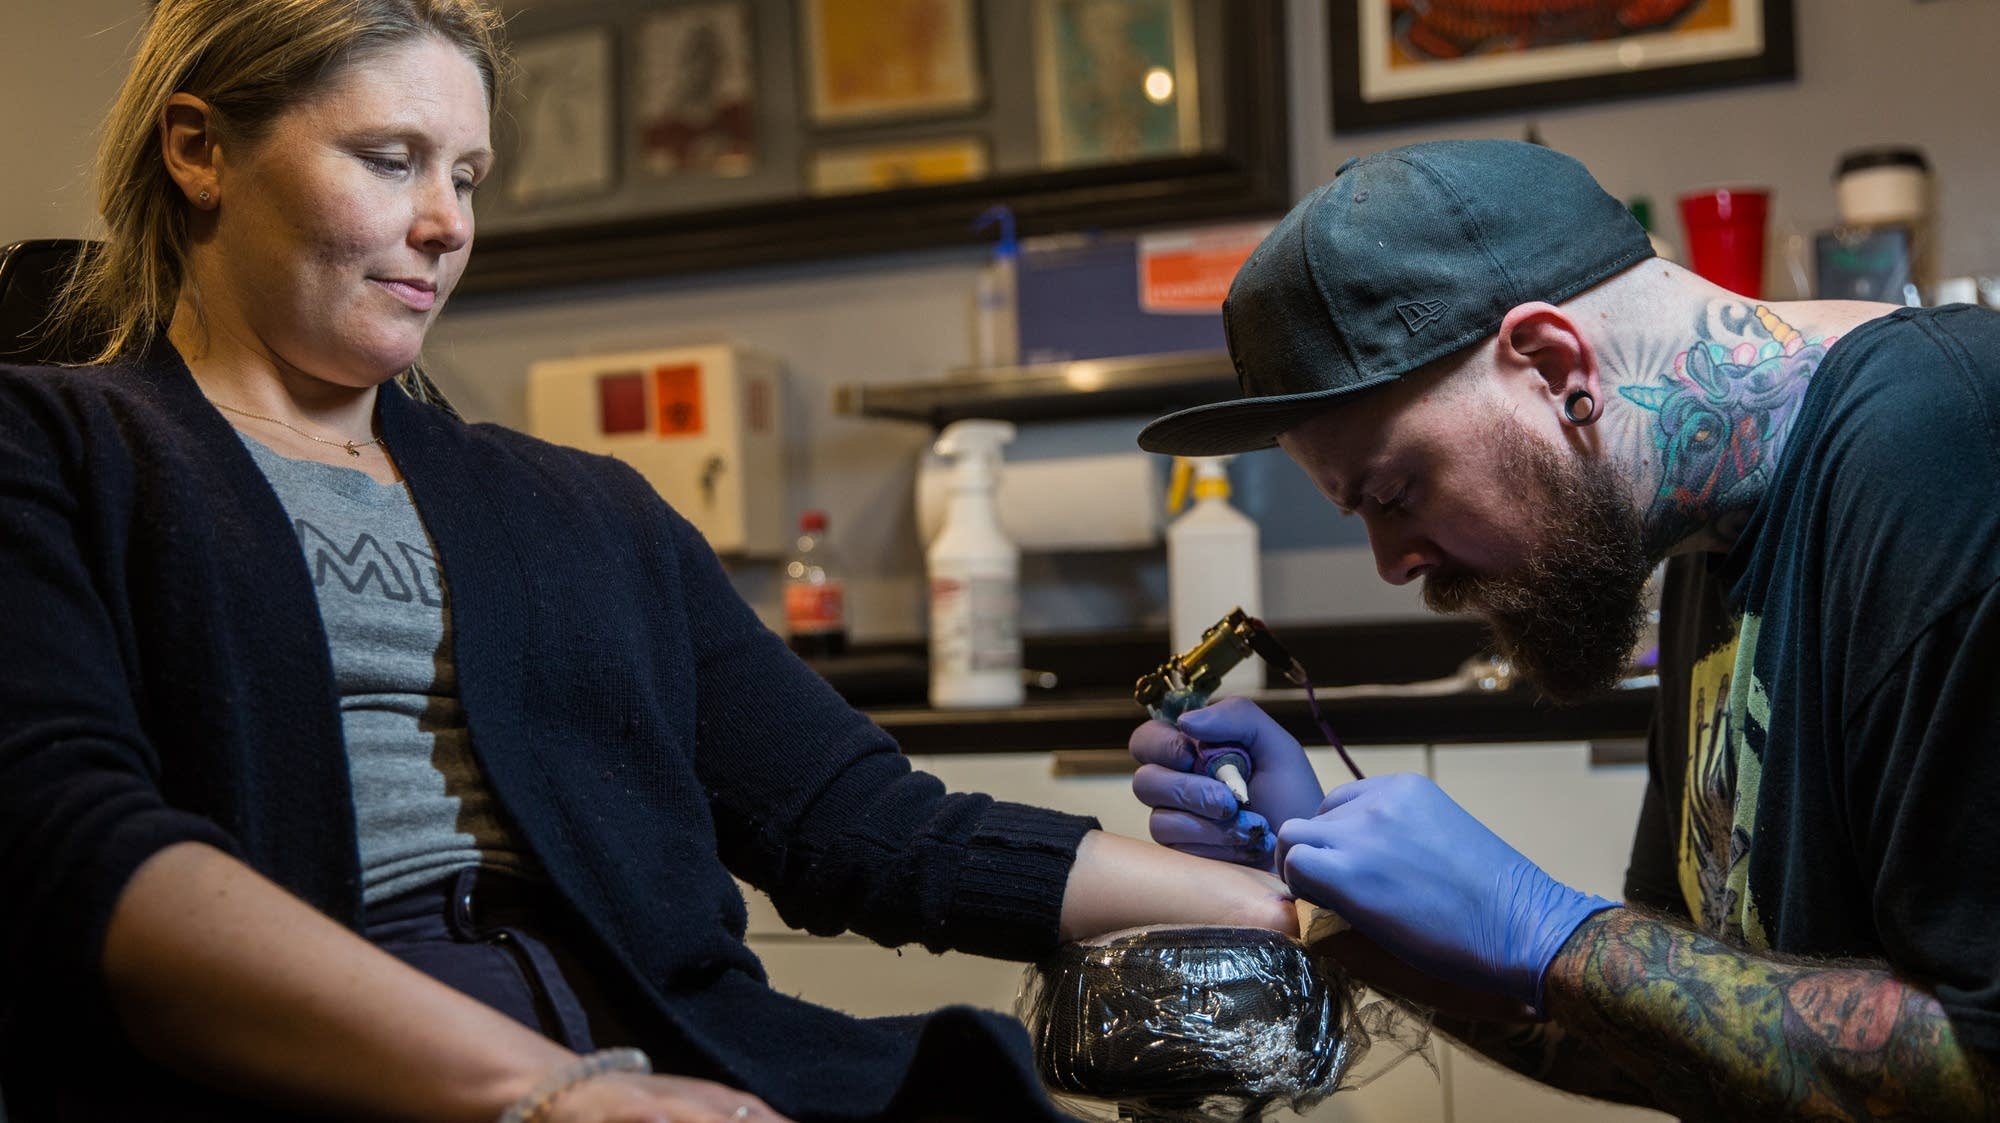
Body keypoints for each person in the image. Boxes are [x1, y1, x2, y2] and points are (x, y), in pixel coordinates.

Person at [0, 2, 1301, 1121]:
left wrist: (1286, 902)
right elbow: (77, 845)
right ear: (199, 149)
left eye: (469, 174)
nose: (448, 222)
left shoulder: (586, 510)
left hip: (683, 1056)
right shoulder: (54, 449)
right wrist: (556, 1090)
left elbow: (864, 823)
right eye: (392, 160)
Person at [1127, 138, 2000, 1120]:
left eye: (1393, 492)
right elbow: (1672, 1031)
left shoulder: (1945, 450)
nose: (1392, 562)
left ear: (1550, 363)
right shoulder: (1703, 537)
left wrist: (1543, 928)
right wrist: (1333, 903)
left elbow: (1983, 1062)